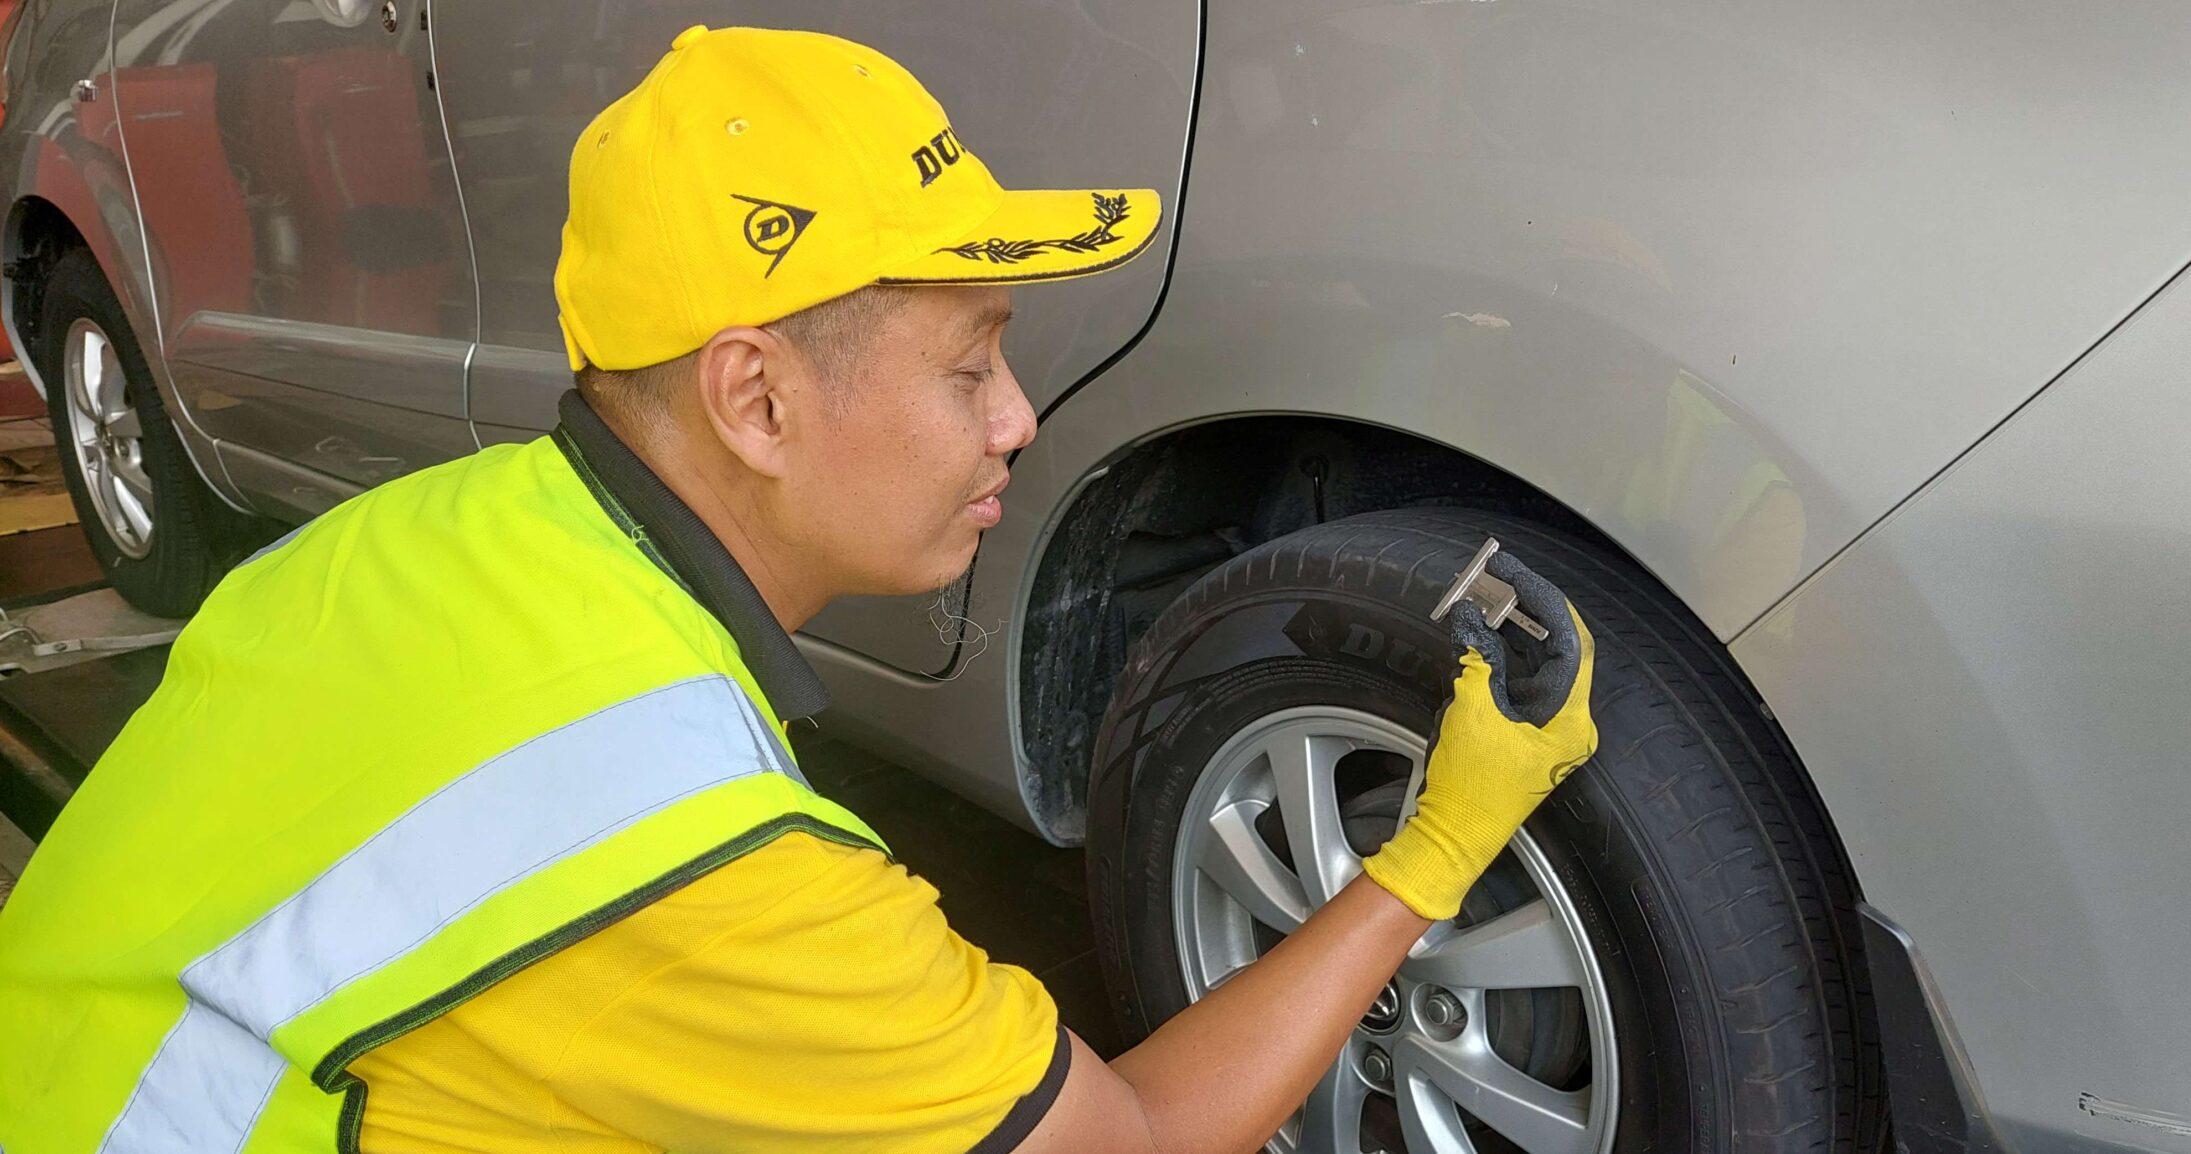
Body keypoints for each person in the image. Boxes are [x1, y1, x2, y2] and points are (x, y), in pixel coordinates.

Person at [0, 26, 1596, 1154]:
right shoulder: (716, 871)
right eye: (969, 365)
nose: (1018, 419)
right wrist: (1428, 855)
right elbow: (1137, 1141)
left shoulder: (422, 536)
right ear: (754, 398)